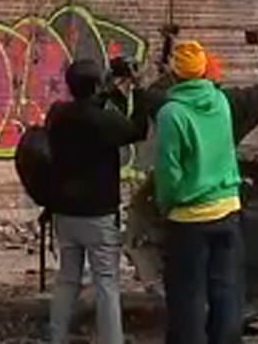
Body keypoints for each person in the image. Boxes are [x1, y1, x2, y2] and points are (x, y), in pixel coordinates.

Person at [124, 27, 258, 294]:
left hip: (185, 210)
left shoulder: (169, 107)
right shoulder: (229, 105)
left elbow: (152, 94)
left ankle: (155, 280)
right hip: (223, 205)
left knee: (187, 287)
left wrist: (172, 59)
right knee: (223, 285)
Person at [44, 57, 150, 344]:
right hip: (98, 214)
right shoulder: (104, 121)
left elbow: (87, 107)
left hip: (64, 212)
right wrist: (138, 89)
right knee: (106, 283)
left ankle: (56, 336)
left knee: (67, 279)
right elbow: (137, 129)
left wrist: (109, 90)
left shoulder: (57, 115)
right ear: (96, 85)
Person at [155, 39, 245, 344]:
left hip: (188, 217)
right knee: (225, 291)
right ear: (205, 70)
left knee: (188, 296)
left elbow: (168, 171)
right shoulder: (221, 102)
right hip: (228, 208)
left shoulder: (171, 113)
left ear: (174, 74)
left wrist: (165, 206)